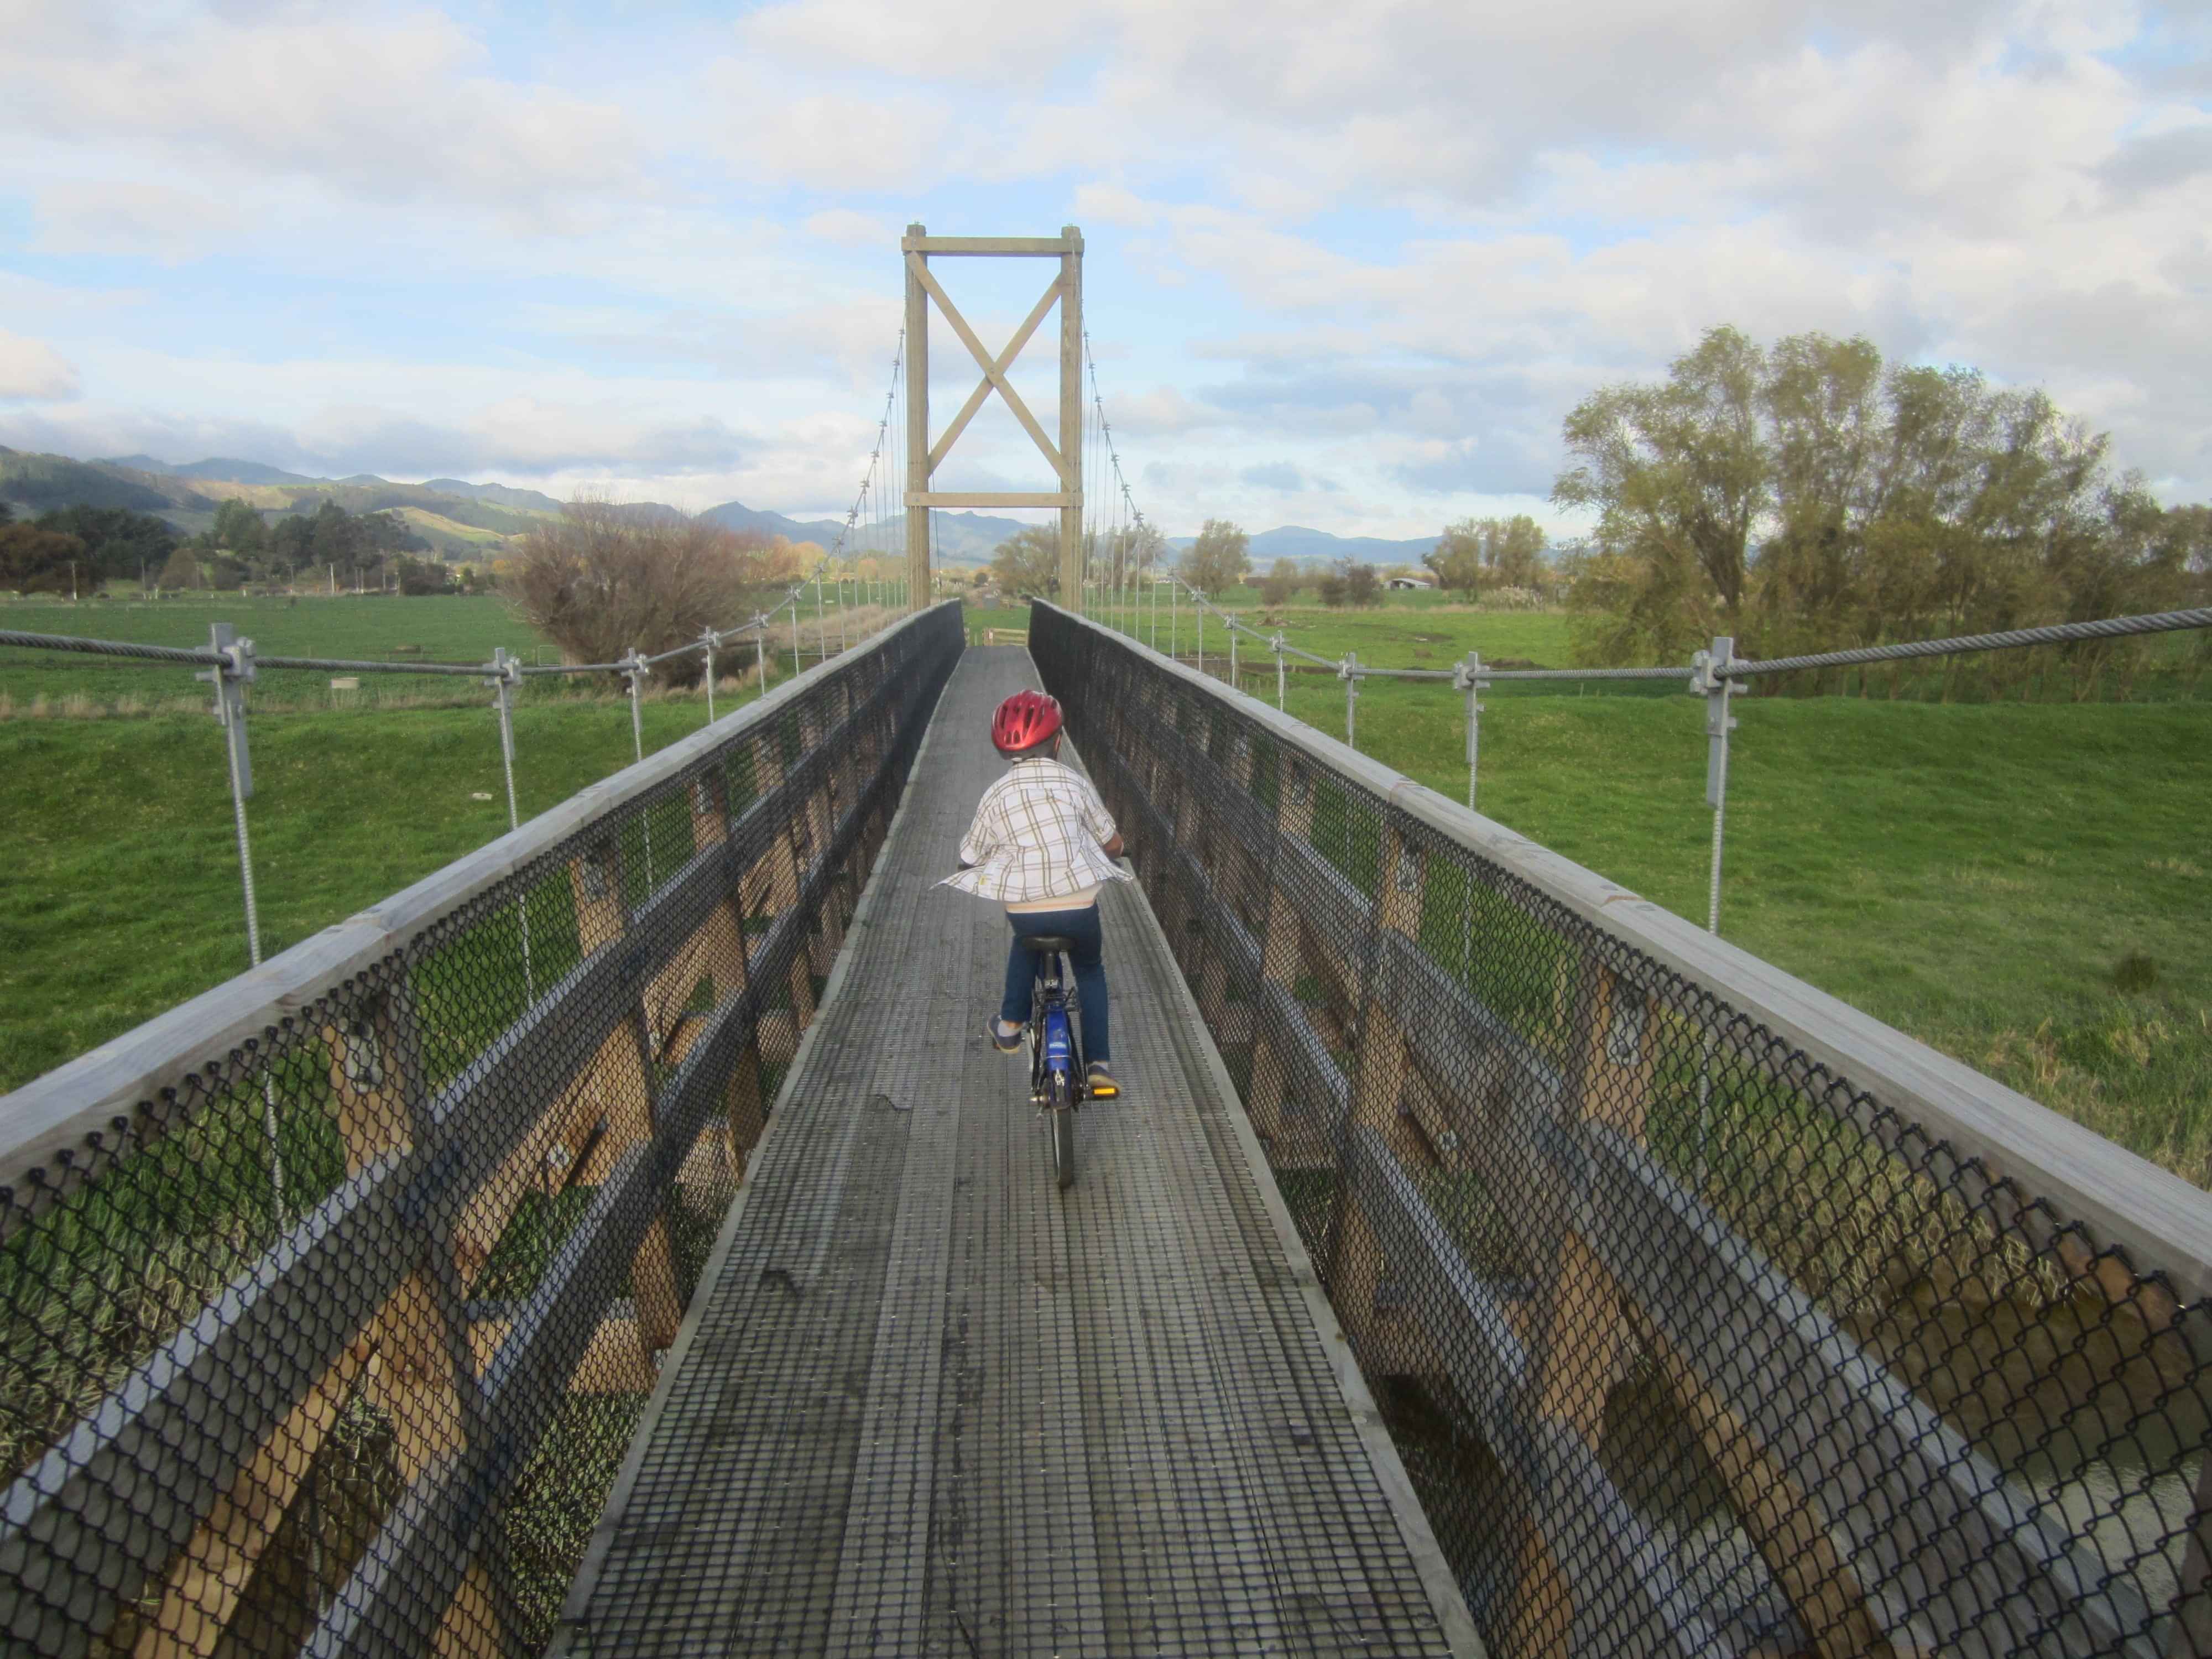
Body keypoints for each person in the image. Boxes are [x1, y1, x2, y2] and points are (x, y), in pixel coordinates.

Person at [941, 688, 1129, 1098]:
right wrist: (1117, 850)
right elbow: (1110, 841)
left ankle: (1009, 1026)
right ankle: (1099, 1064)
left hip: (1026, 910)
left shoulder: (995, 794)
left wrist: (970, 865)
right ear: (1058, 741)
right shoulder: (1075, 784)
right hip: (1080, 906)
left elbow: (968, 855)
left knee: (1025, 942)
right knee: (1091, 970)